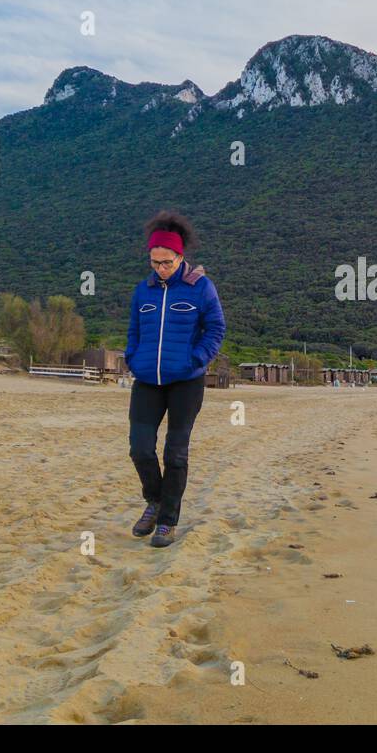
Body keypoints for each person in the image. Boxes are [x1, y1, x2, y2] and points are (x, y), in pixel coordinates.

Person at [123, 210, 226, 548]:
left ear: (181, 257)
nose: (160, 268)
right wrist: (132, 358)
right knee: (140, 448)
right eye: (155, 262)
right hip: (147, 381)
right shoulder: (143, 291)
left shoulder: (201, 288)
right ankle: (154, 501)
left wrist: (195, 359)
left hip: (186, 381)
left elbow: (216, 329)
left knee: (176, 454)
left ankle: (167, 521)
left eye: (166, 262)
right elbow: (134, 331)